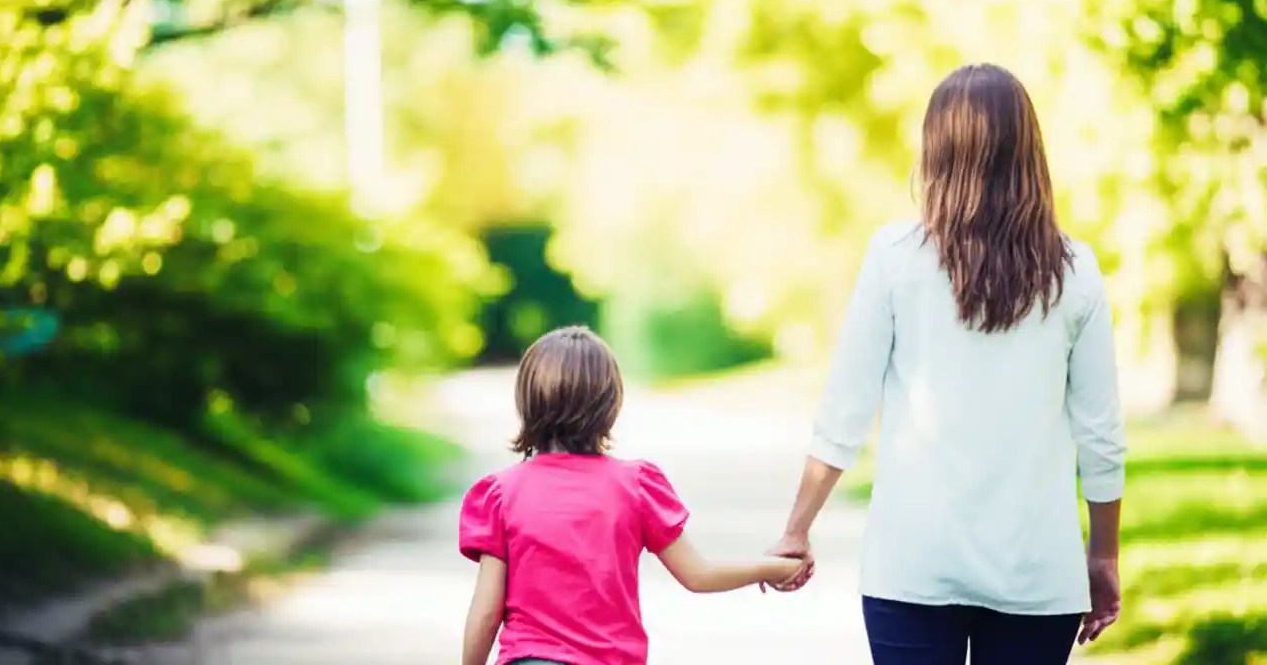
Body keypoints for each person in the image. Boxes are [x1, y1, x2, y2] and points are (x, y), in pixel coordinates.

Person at [768, 63, 1127, 664]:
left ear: (936, 151)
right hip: (1038, 575)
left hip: (912, 568)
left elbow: (845, 414)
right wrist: (1103, 556)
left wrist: (796, 530)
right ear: (1028, 152)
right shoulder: (1075, 270)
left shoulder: (893, 258)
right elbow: (1102, 436)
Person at [459, 325, 805, 665]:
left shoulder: (502, 493)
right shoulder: (635, 486)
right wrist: (775, 568)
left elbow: (486, 612)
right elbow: (698, 575)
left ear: (527, 402)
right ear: (609, 404)